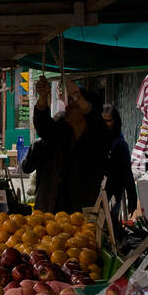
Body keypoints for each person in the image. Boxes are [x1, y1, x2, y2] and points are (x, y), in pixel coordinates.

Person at [32, 78, 111, 213]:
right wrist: (43, 97)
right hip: (52, 208)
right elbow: (43, 127)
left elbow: (95, 117)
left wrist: (77, 96)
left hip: (83, 210)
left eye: (73, 104)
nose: (68, 107)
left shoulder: (97, 137)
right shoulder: (60, 130)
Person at [102, 105, 138, 218]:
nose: (104, 124)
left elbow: (127, 172)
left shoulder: (120, 144)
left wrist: (132, 199)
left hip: (112, 194)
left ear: (115, 122)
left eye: (108, 121)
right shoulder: (95, 141)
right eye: (102, 120)